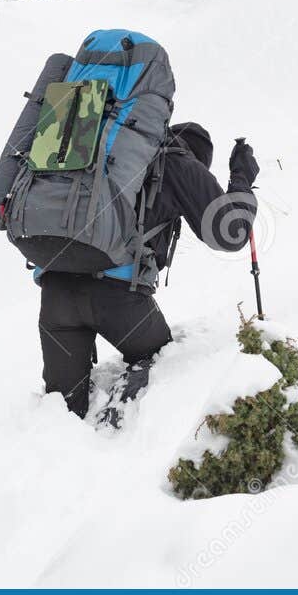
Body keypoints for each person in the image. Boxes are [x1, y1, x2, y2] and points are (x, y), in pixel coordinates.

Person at [38, 123, 258, 417]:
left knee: (60, 414)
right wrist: (242, 177)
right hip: (118, 298)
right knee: (165, 362)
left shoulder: (105, 157)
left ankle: (65, 452)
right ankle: (122, 438)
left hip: (56, 295)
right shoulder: (178, 161)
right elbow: (231, 232)